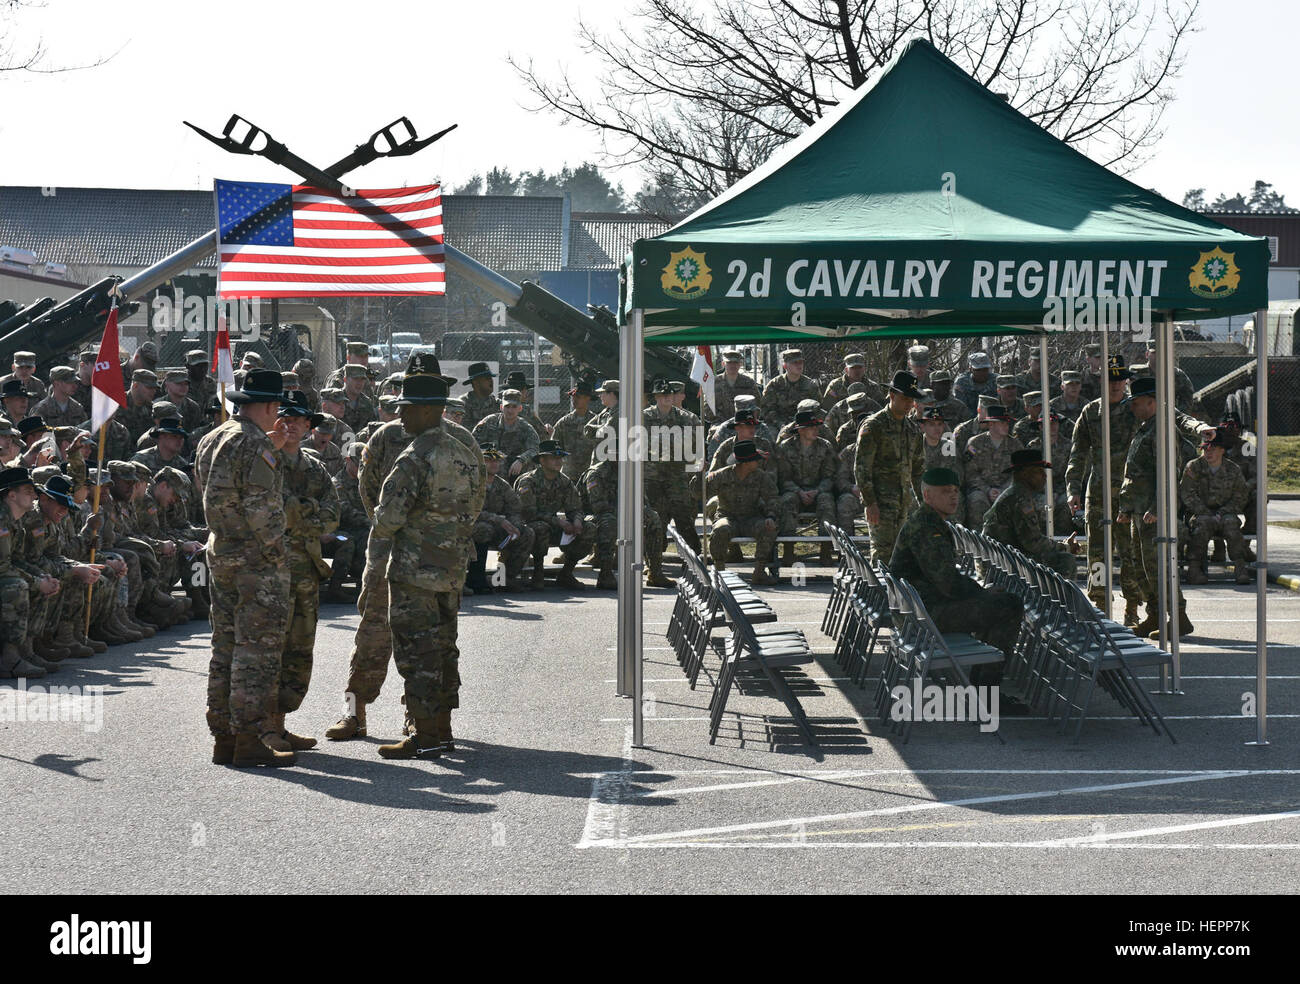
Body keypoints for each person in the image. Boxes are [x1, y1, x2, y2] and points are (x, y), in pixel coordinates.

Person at [326, 353, 483, 745]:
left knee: (430, 639)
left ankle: (423, 720)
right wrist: (395, 535)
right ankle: (353, 712)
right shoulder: (384, 437)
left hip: (429, 556)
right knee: (372, 632)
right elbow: (370, 493)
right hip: (387, 554)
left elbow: (475, 497)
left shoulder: (461, 440)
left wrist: (424, 532)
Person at [371, 372, 484, 759]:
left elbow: (388, 519)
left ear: (427, 410)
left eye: (406, 409)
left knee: (416, 652)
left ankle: (425, 733)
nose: (401, 417)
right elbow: (475, 506)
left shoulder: (414, 456)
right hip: (450, 569)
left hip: (413, 572)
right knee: (443, 647)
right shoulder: (465, 453)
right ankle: (443, 729)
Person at [193, 367, 295, 768]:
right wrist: (277, 551)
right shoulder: (255, 445)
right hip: (256, 559)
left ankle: (224, 737)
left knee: (225, 646)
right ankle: (250, 737)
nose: (279, 417)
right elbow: (260, 507)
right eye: (277, 408)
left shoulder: (214, 437)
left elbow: (215, 491)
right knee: (258, 652)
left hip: (222, 551)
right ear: (268, 406)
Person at [888, 467, 1027, 713]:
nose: (954, 496)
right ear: (928, 496)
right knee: (1009, 606)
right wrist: (983, 594)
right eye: (945, 492)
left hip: (922, 611)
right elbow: (947, 581)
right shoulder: (926, 528)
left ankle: (981, 690)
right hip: (925, 616)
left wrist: (983, 595)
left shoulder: (931, 522)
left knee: (997, 604)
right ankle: (986, 696)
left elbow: (946, 578)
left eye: (955, 491)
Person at [267, 392, 340, 753]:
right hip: (270, 569)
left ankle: (280, 725)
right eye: (285, 417)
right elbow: (268, 509)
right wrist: (303, 512)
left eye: (299, 418)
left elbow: (332, 515)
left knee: (298, 649)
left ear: (310, 426)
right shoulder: (264, 461)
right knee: (269, 649)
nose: (291, 424)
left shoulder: (315, 467)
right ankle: (262, 729)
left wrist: (294, 512)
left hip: (306, 570)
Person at [1066, 354, 1144, 623]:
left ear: (1125, 382)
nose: (1115, 385)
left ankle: (1133, 606)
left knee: (1130, 553)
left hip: (1128, 495)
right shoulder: (1090, 412)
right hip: (1098, 493)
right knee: (1097, 554)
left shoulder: (1135, 410)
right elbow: (1078, 454)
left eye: (1119, 380)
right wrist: (1073, 489)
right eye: (1110, 380)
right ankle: (1099, 605)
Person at [1118, 376, 1193, 639]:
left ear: (1151, 403)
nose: (1132, 408)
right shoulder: (1146, 428)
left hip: (1152, 512)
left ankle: (1178, 616)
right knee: (1142, 567)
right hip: (1139, 511)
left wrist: (1158, 507)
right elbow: (1136, 473)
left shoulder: (1161, 430)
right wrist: (1127, 508)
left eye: (1136, 403)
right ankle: (1155, 614)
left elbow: (1168, 473)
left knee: (1159, 567)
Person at [855, 371, 925, 563]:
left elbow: (918, 471)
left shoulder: (913, 430)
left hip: (905, 504)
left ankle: (897, 594)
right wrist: (870, 503)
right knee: (882, 556)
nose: (909, 403)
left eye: (912, 399)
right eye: (905, 398)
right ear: (892, 395)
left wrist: (924, 504)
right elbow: (862, 468)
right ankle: (880, 593)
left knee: (902, 557)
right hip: (881, 503)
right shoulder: (874, 426)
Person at [982, 450, 1081, 575]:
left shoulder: (1015, 494)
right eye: (1039, 472)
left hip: (1002, 559)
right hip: (1005, 565)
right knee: (1065, 560)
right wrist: (1065, 547)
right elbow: (1033, 543)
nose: (1044, 476)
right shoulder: (1020, 499)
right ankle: (1054, 596)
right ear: (1024, 474)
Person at [583, 455, 673, 590]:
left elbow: (642, 501)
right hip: (594, 516)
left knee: (652, 517)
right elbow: (598, 506)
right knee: (609, 521)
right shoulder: (597, 473)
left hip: (622, 512)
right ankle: (605, 574)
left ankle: (655, 573)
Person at [516, 439, 594, 590]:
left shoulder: (565, 482)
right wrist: (559, 522)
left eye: (560, 458)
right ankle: (538, 573)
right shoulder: (528, 481)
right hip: (529, 528)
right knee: (540, 527)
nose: (559, 461)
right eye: (554, 458)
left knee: (589, 528)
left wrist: (577, 521)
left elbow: (575, 507)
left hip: (556, 527)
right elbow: (528, 513)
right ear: (542, 460)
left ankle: (567, 572)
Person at [1181, 430, 1251, 585]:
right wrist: (1206, 512)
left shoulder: (1233, 469)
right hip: (1200, 514)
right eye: (1205, 449)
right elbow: (1187, 495)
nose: (1208, 452)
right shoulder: (1193, 467)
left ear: (1222, 450)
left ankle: (1240, 567)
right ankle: (1194, 569)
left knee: (1232, 524)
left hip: (1225, 513)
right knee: (1202, 525)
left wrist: (1221, 513)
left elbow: (1240, 495)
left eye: (1212, 448)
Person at [642, 379, 704, 555]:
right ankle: (654, 561)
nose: (666, 398)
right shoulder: (643, 417)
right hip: (652, 478)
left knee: (684, 518)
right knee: (656, 520)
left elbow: (695, 445)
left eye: (669, 395)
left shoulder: (687, 418)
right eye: (662, 395)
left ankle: (695, 559)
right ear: (655, 397)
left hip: (677, 478)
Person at [706, 440, 780, 585]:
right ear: (745, 462)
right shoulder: (721, 475)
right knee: (720, 529)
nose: (758, 462)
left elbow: (772, 498)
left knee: (768, 528)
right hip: (727, 515)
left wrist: (771, 516)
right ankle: (720, 572)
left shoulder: (761, 477)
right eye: (755, 460)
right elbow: (699, 493)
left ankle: (759, 572)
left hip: (751, 517)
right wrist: (699, 475)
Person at [774, 406, 837, 565]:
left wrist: (818, 491)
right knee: (787, 501)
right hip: (794, 491)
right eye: (811, 427)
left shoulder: (825, 446)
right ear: (801, 430)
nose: (816, 430)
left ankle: (825, 550)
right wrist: (799, 492)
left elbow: (829, 476)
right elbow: (783, 478)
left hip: (818, 491)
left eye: (816, 426)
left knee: (827, 501)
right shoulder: (785, 447)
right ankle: (788, 550)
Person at [470, 443, 535, 592]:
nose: (494, 464)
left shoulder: (502, 485)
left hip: (496, 529)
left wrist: (515, 526)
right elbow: (471, 510)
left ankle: (506, 578)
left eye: (497, 460)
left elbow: (515, 509)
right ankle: (476, 579)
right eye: (489, 460)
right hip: (471, 527)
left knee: (527, 533)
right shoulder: (471, 482)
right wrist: (499, 520)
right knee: (483, 529)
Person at [326, 442, 369, 603]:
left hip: (360, 527)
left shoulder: (365, 479)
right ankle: (335, 588)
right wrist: (370, 522)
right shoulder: (338, 483)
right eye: (358, 465)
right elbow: (345, 511)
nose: (361, 469)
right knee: (355, 539)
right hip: (342, 527)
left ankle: (366, 584)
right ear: (348, 460)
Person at [472, 389, 540, 478]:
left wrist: (521, 460)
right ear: (501, 407)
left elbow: (535, 448)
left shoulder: (525, 428)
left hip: (516, 470)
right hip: (490, 467)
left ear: (520, 408)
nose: (510, 410)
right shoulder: (489, 422)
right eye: (507, 406)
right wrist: (490, 457)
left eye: (514, 406)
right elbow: (473, 443)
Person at [761, 349, 820, 432]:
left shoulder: (810, 385)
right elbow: (767, 410)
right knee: (770, 433)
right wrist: (780, 424)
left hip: (805, 424)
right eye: (795, 362)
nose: (799, 365)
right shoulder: (774, 384)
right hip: (779, 425)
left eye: (801, 362)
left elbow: (818, 408)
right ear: (785, 366)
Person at [552, 379, 597, 481]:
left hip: (589, 474)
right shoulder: (564, 422)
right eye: (573, 396)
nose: (574, 400)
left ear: (587, 398)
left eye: (578, 397)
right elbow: (555, 447)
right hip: (568, 475)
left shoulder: (595, 422)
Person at [714, 350, 760, 422]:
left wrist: (746, 419)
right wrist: (723, 421)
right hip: (719, 423)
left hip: (745, 423)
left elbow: (757, 405)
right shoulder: (714, 383)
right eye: (729, 362)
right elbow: (708, 407)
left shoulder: (749, 382)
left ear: (740, 364)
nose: (733, 365)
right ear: (723, 364)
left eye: (736, 362)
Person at [462, 362, 498, 431]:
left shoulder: (496, 402)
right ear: (475, 382)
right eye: (487, 378)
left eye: (491, 377)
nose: (491, 380)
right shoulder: (464, 403)